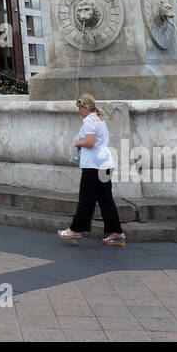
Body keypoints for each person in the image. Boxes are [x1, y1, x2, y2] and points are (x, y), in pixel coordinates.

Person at [58, 94, 125, 246]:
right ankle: (117, 234)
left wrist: (77, 142)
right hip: (104, 164)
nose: (78, 110)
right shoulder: (99, 119)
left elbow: (89, 142)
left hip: (93, 166)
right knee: (105, 200)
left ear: (87, 107)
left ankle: (74, 232)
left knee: (86, 199)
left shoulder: (89, 121)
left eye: (80, 107)